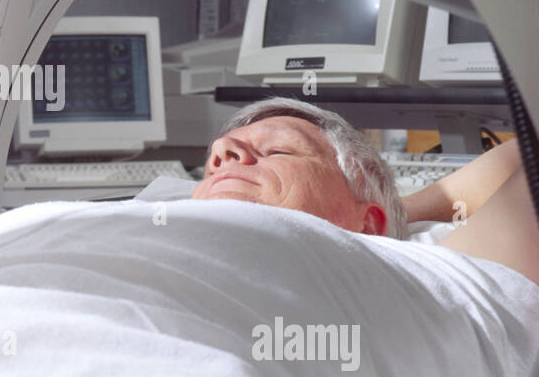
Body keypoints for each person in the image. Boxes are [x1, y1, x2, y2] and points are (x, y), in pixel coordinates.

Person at [191, 96, 539, 287]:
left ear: (369, 228)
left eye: (279, 151)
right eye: (214, 166)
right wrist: (383, 213)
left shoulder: (417, 288)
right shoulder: (147, 216)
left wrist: (376, 221)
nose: (221, 150)